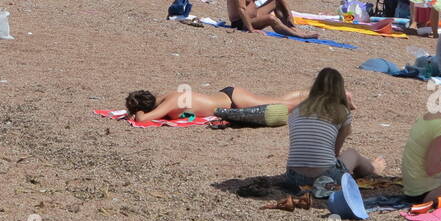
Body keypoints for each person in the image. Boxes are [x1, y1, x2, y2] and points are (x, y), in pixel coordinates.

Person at [281, 67, 386, 191]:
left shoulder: (298, 110)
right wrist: (347, 106)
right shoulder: (341, 111)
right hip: (325, 178)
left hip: (293, 178)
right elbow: (335, 153)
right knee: (352, 154)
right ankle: (373, 168)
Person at [125, 84, 309, 123]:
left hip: (233, 101)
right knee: (283, 101)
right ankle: (312, 92)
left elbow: (143, 119)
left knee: (286, 106)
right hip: (229, 97)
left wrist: (137, 113)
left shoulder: (171, 102)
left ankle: (322, 95)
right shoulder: (168, 96)